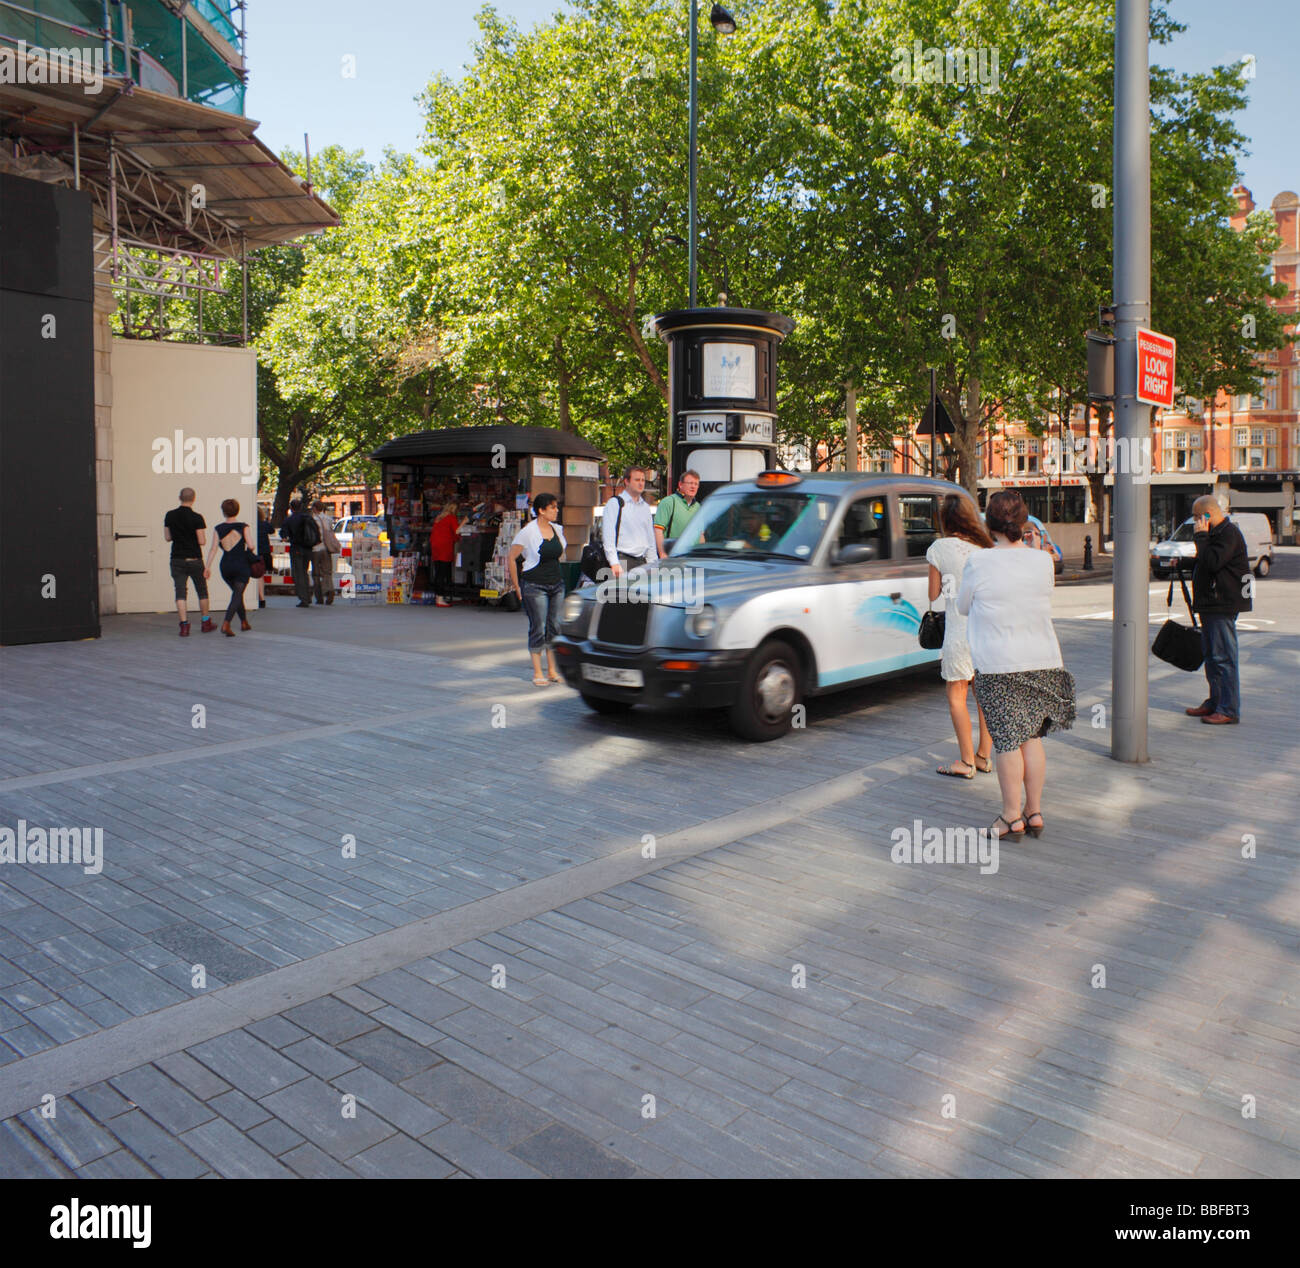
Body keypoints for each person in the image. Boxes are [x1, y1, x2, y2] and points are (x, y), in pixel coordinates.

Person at [956, 490, 1076, 842]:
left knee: (1007, 742)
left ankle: (1011, 817)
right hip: (1044, 660)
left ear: (989, 523)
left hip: (999, 664)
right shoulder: (1042, 561)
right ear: (1024, 523)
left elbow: (963, 607)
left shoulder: (979, 563)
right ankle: (1033, 811)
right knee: (1032, 739)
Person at [926, 494, 995, 778]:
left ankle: (965, 762)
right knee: (984, 696)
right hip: (987, 632)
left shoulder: (939, 548)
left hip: (958, 632)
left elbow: (933, 594)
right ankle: (982, 757)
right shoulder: (985, 547)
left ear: (946, 520)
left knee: (957, 695)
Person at [1185, 495, 1251, 725]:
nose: (1195, 523)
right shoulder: (1216, 534)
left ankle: (1228, 709)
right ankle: (1215, 702)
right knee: (1212, 657)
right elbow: (1205, 561)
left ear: (1207, 515)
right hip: (1211, 603)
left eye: (1196, 517)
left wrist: (1201, 537)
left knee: (1223, 658)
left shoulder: (1228, 534)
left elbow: (1213, 562)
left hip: (1222, 603)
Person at [508, 493, 567, 686]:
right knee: (538, 627)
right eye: (552, 507)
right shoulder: (528, 531)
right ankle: (537, 672)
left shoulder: (557, 530)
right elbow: (511, 557)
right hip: (534, 585)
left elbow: (560, 556)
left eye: (556, 507)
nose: (556, 510)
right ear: (541, 511)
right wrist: (516, 586)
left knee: (555, 626)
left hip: (556, 584)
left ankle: (551, 670)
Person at [163, 488, 213, 636]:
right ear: (194, 499)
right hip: (195, 559)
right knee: (202, 591)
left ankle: (184, 625)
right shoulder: (197, 517)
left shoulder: (170, 515)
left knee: (180, 592)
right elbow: (202, 541)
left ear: (179, 497)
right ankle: (205, 622)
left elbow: (167, 537)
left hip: (177, 558)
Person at [204, 498, 256, 637]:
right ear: (237, 510)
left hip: (226, 566)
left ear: (223, 512)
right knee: (237, 595)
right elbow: (251, 546)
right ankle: (226, 623)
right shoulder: (244, 527)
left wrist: (207, 567)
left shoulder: (218, 528)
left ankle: (244, 622)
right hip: (241, 564)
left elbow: (213, 549)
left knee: (237, 595)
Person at [601, 466, 656, 578]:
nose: (641, 483)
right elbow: (608, 535)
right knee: (623, 595)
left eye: (643, 480)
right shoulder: (615, 504)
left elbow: (650, 539)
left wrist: (653, 564)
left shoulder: (645, 507)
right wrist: (614, 563)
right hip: (622, 560)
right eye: (637, 480)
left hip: (642, 562)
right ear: (626, 481)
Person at [654, 470, 701, 558]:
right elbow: (658, 530)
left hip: (693, 559)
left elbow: (701, 534)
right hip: (672, 558)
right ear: (680, 485)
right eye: (690, 483)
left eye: (696, 484)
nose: (693, 486)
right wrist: (662, 554)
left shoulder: (698, 507)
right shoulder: (668, 502)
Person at [279, 498, 316, 607]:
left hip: (296, 549)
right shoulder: (308, 518)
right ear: (301, 507)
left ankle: (304, 598)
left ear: (291, 508)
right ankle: (308, 595)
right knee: (304, 572)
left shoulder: (289, 520)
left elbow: (283, 535)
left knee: (298, 574)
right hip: (308, 549)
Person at [429, 501, 459, 608]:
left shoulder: (439, 518)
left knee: (438, 571)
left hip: (435, 546)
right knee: (443, 572)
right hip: (445, 546)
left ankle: (438, 596)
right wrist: (457, 539)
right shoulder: (451, 518)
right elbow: (457, 532)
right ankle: (440, 598)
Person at [310, 501, 338, 605]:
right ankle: (330, 591)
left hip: (315, 549)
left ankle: (319, 597)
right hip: (326, 549)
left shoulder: (313, 519)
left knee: (316, 574)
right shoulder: (328, 519)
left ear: (314, 508)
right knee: (327, 572)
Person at [256, 505, 272, 609]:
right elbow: (272, 530)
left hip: (255, 552)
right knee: (260, 576)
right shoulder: (265, 524)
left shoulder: (250, 525)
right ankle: (262, 599)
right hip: (265, 552)